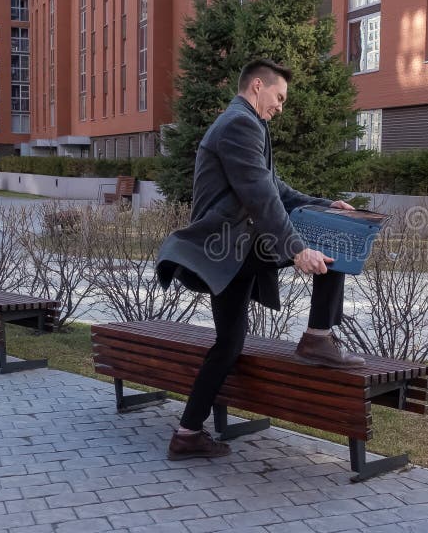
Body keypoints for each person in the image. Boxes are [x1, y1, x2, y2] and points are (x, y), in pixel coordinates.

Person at [155, 58, 365, 460]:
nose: (281, 107)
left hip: (232, 252)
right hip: (230, 246)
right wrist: (297, 248)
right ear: (257, 86)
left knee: (228, 343)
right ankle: (318, 338)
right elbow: (261, 197)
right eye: (279, 97)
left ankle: (186, 434)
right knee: (334, 242)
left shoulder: (247, 124)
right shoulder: (239, 124)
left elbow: (273, 186)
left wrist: (324, 204)